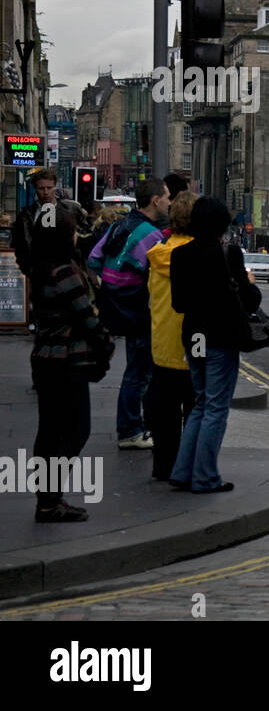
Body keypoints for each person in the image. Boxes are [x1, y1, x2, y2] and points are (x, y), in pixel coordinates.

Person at [170, 197, 263, 493]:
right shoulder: (229, 254)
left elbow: (179, 303)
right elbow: (249, 300)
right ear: (222, 224)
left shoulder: (180, 254)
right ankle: (205, 477)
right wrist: (248, 282)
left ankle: (183, 472)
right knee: (216, 407)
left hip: (194, 337)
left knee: (199, 402)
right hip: (221, 338)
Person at [28, 203, 114, 522]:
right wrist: (105, 346)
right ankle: (50, 498)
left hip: (43, 359)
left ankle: (46, 502)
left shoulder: (38, 268)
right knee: (77, 430)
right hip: (67, 360)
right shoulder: (64, 271)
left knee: (49, 431)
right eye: (72, 230)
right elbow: (86, 318)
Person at [88, 177, 171, 450]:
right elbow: (157, 274)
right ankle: (130, 430)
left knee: (136, 370)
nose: (169, 203)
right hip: (139, 310)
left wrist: (111, 283)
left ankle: (134, 427)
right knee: (139, 372)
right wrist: (132, 284)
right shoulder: (151, 235)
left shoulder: (118, 225)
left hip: (118, 308)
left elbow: (94, 259)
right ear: (156, 200)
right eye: (167, 197)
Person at [143, 191, 199, 481]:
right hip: (195, 346)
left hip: (162, 343)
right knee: (194, 411)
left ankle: (163, 466)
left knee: (164, 414)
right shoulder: (200, 255)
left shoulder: (158, 254)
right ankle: (187, 468)